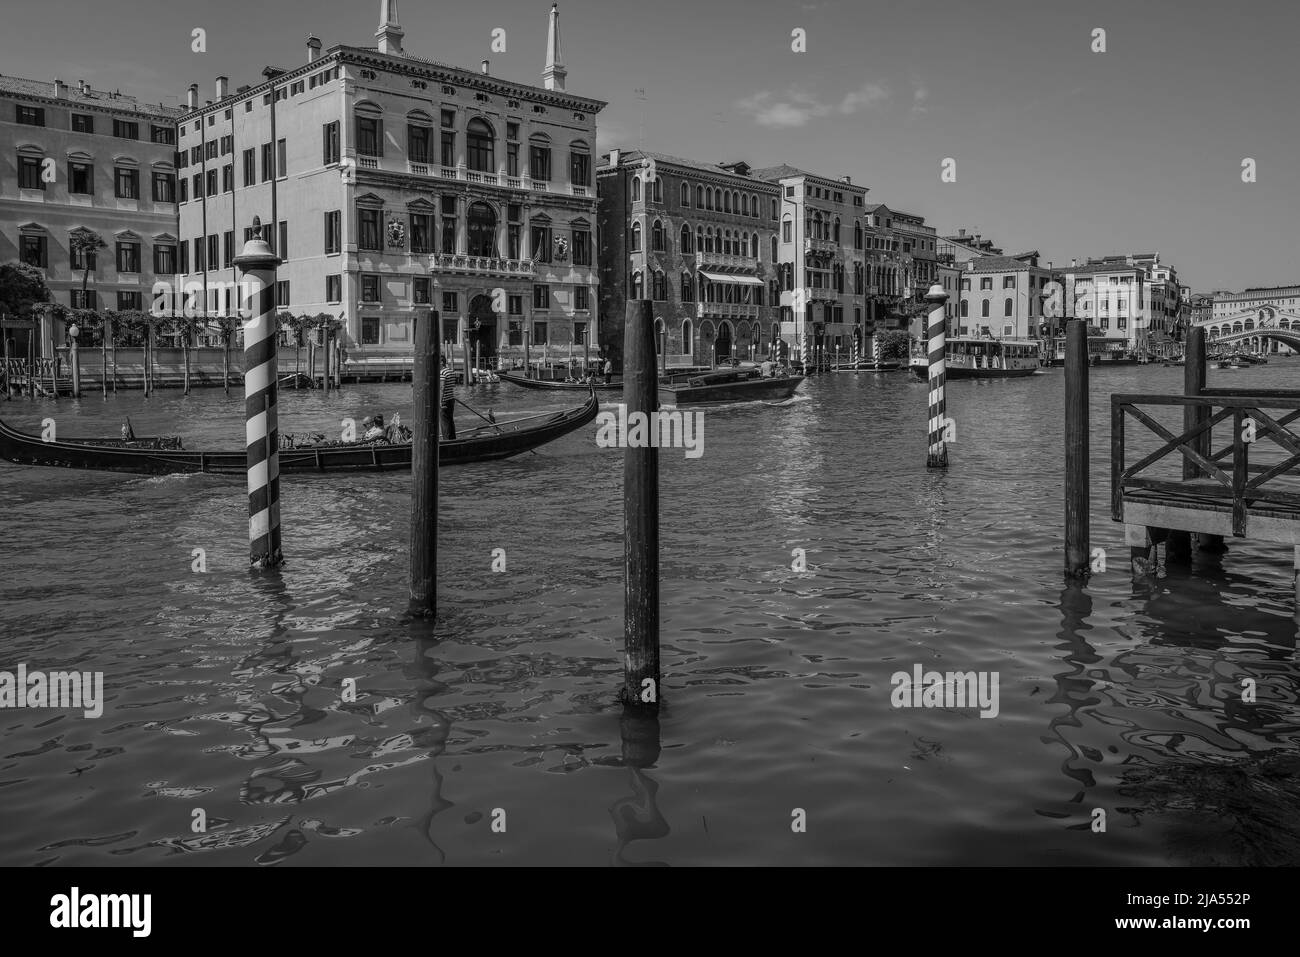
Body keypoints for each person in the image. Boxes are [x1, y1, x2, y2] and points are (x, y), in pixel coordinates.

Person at [439, 355, 457, 440]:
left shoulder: (442, 373)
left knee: (444, 422)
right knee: (450, 420)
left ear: (441, 362)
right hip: (451, 399)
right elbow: (452, 385)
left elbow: (442, 388)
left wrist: (440, 401)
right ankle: (453, 439)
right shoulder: (451, 371)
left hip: (444, 400)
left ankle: (446, 440)